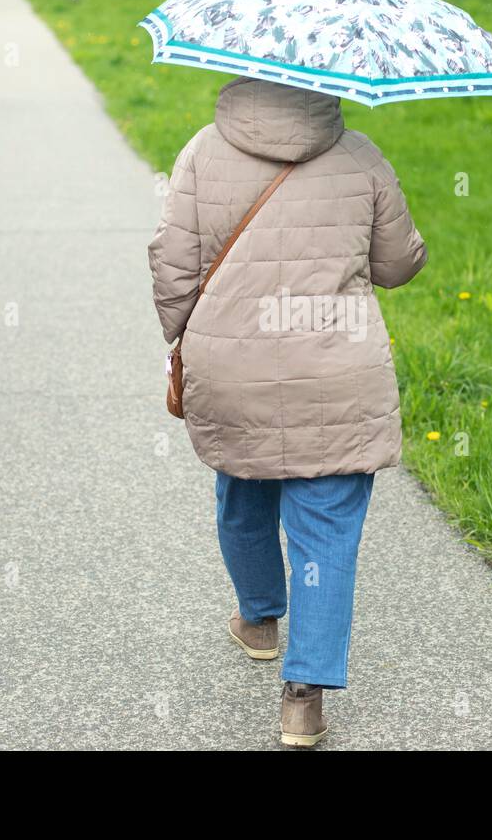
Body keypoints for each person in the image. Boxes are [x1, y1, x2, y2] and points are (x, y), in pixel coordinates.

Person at [147, 76, 427, 747]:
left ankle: (259, 620)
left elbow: (171, 265)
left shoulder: (202, 152)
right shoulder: (360, 155)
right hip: (337, 373)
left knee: (243, 491)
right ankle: (304, 700)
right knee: (327, 528)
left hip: (231, 370)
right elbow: (400, 263)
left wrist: (180, 338)